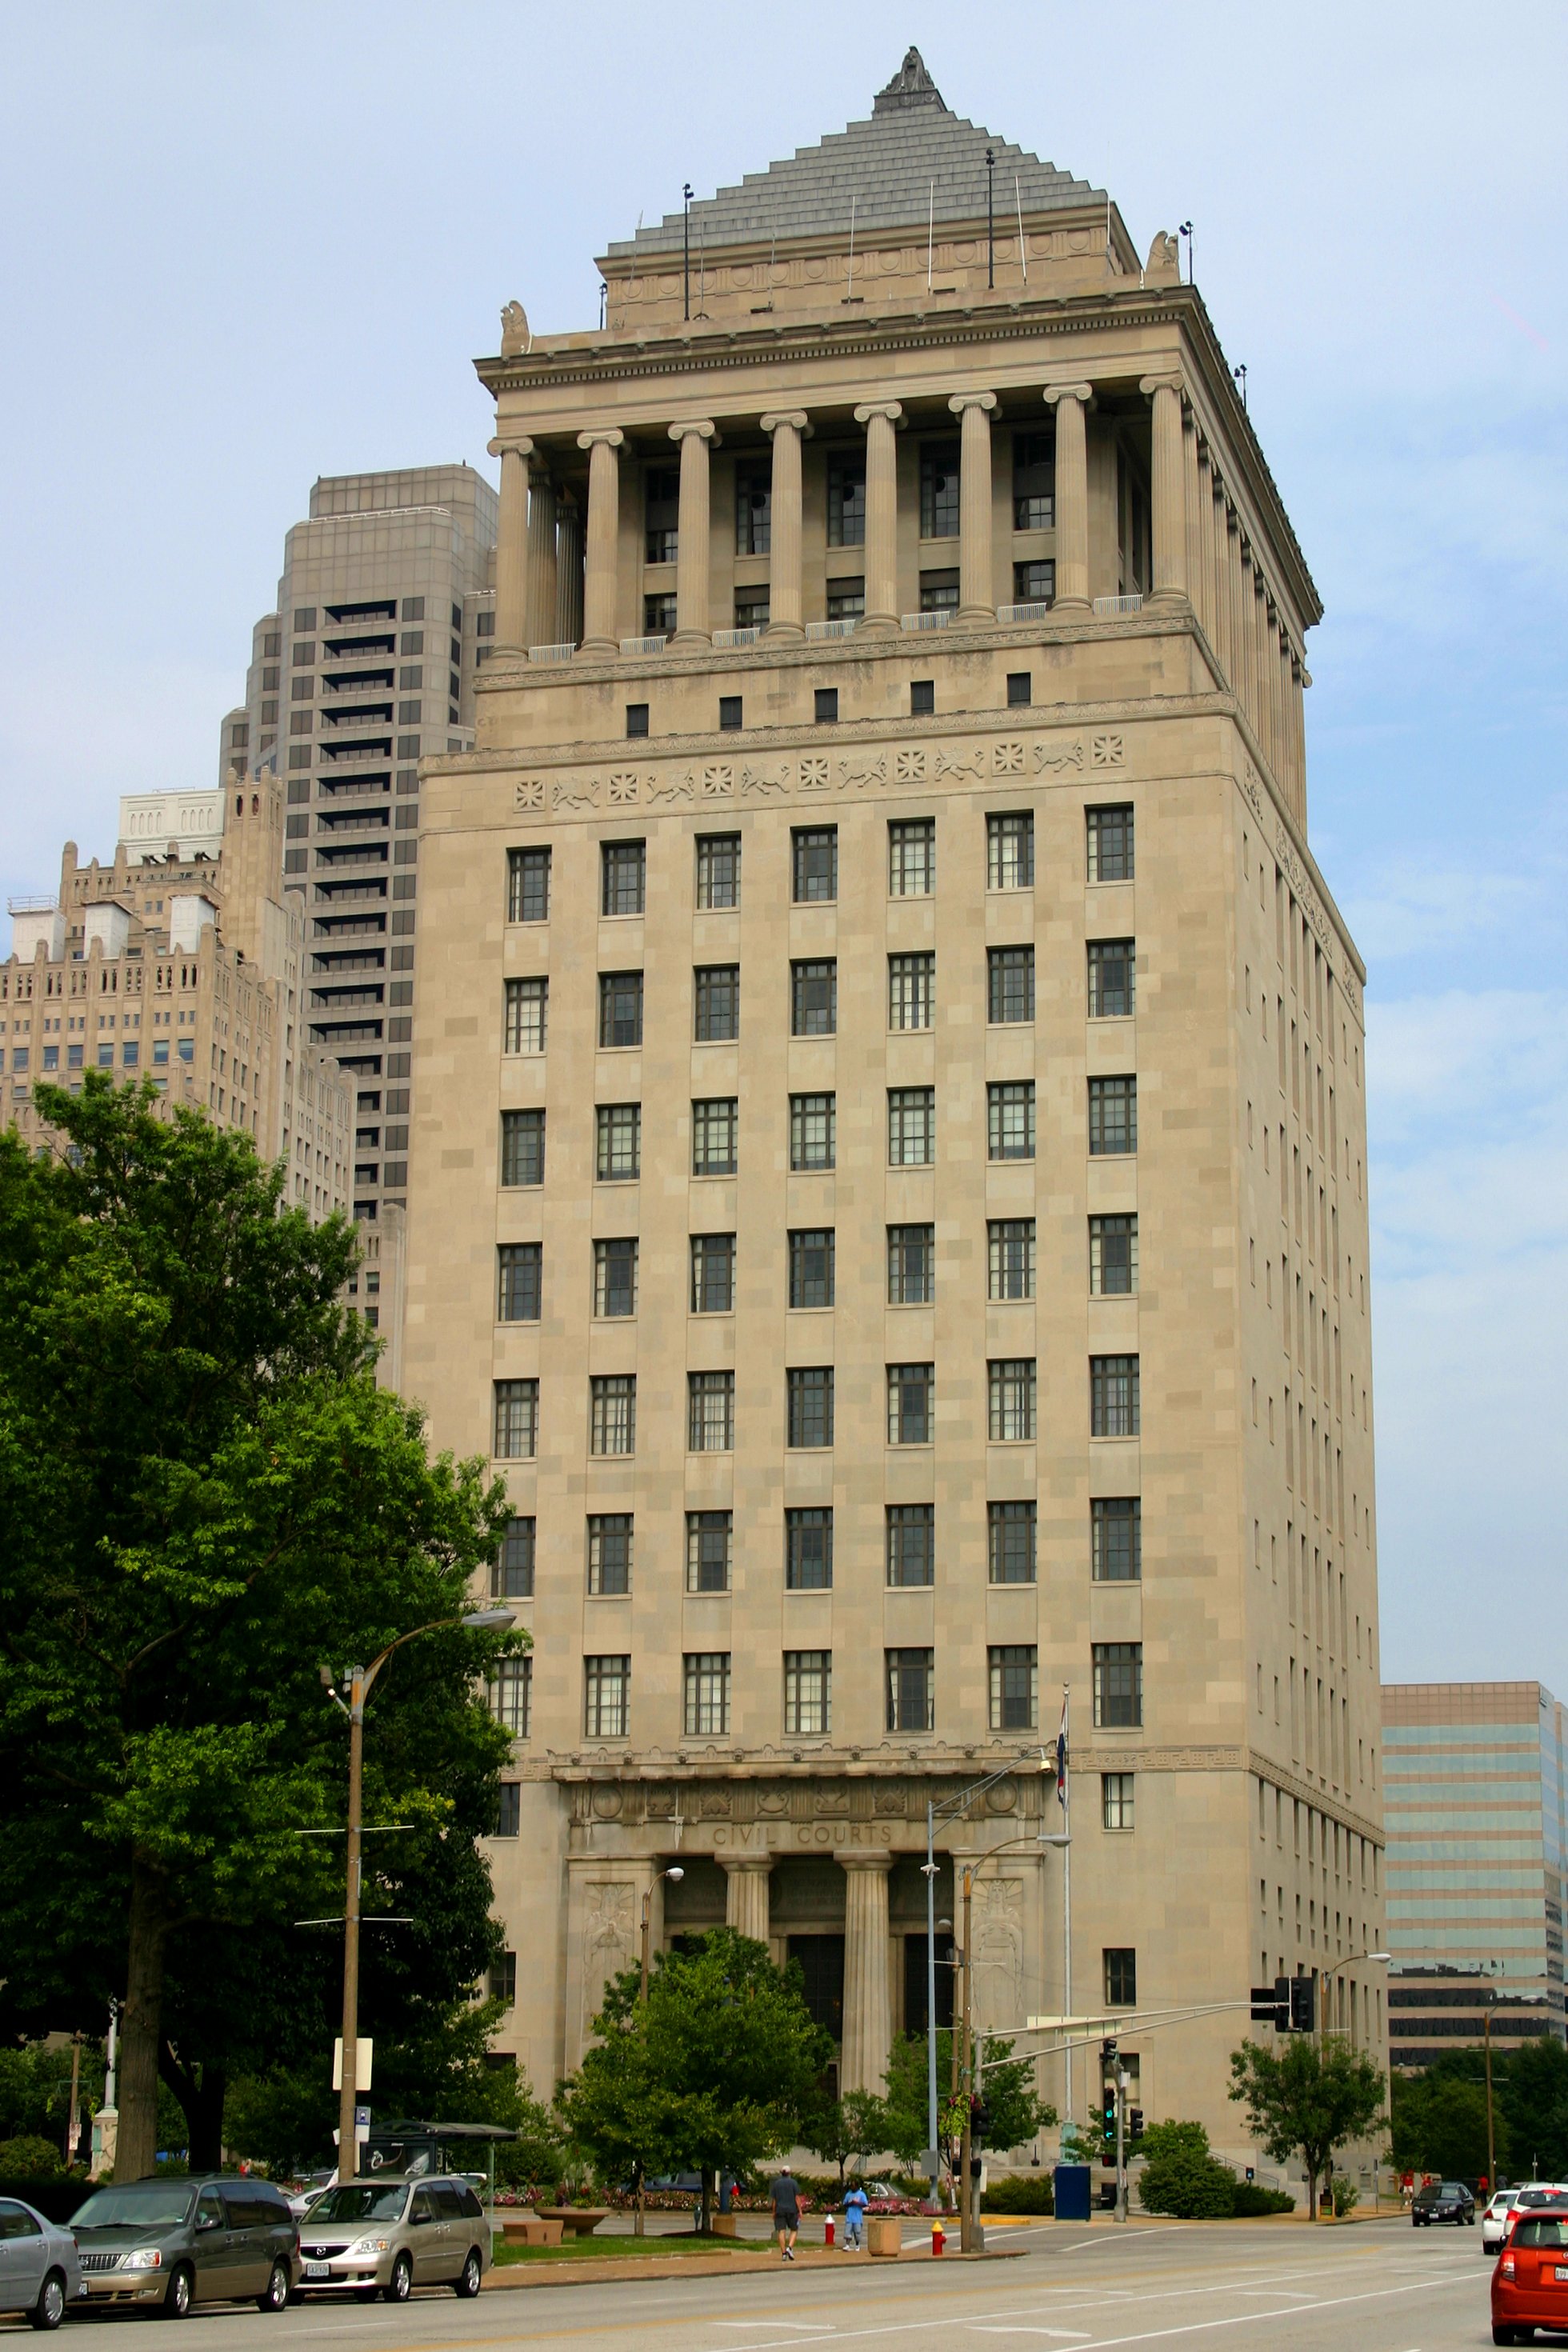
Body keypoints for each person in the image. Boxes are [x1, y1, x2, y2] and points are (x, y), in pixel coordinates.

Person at [770, 2166, 800, 2260]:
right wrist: (800, 2210)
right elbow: (797, 2198)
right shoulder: (793, 2183)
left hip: (780, 2210)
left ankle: (783, 2253)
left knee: (781, 2231)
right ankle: (789, 2247)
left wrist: (774, 2212)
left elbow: (774, 2200)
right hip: (792, 2210)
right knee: (794, 2230)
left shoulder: (776, 2184)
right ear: (789, 2173)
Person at [842, 2181, 868, 2250]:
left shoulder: (861, 2194)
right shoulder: (848, 2194)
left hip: (857, 2217)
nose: (852, 2188)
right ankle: (847, 2245)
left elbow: (865, 2204)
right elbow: (844, 2204)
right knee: (848, 2231)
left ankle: (857, 2245)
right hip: (849, 2217)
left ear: (856, 2186)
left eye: (853, 2186)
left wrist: (857, 2203)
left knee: (857, 2232)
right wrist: (851, 2203)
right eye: (851, 2186)